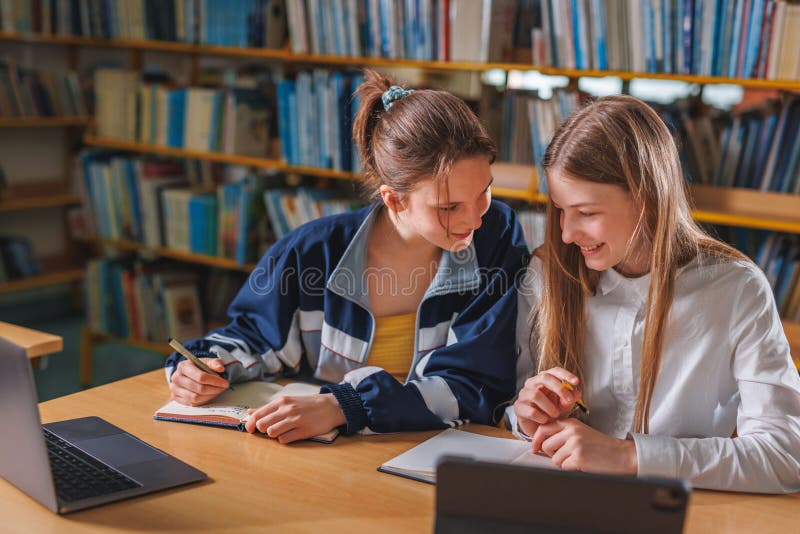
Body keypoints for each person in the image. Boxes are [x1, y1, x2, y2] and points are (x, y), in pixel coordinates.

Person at [166, 70, 529, 444]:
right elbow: (253, 338)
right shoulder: (311, 251)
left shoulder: (496, 234)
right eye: (449, 207)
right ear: (394, 199)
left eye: (484, 192)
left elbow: (477, 385)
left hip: (432, 454)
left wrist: (345, 406)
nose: (474, 218)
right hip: (322, 454)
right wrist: (202, 369)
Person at [511, 94, 800, 493]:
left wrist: (629, 456)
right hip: (560, 500)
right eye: (560, 209)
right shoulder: (547, 274)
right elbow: (512, 412)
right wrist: (527, 415)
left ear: (647, 198)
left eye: (587, 213)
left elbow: (785, 456)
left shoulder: (736, 290)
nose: (566, 234)